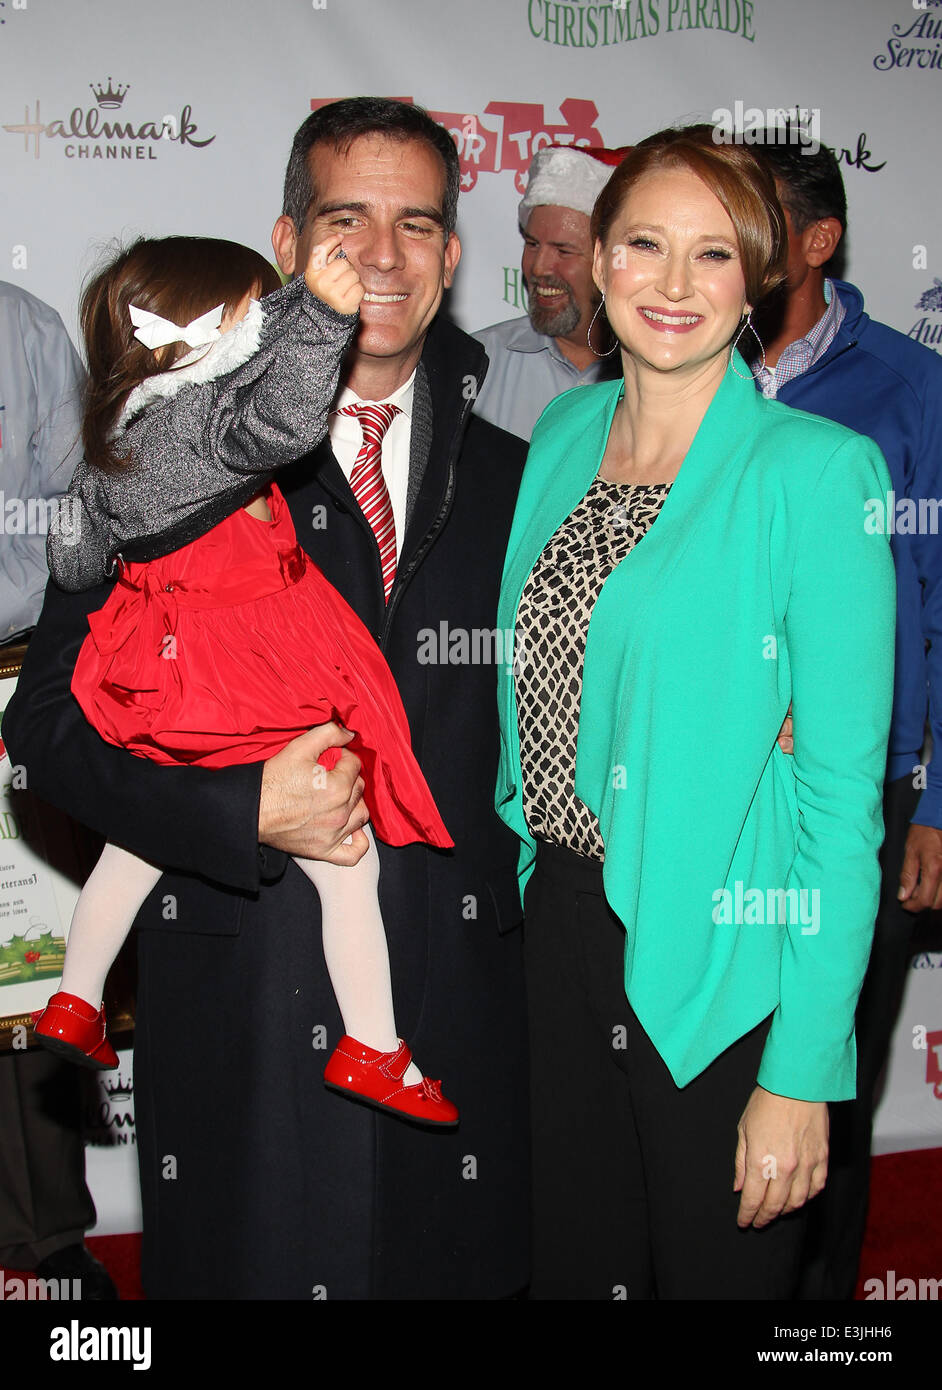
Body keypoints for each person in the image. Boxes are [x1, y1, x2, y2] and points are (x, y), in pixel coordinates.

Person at [3, 97, 529, 1300]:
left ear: (453, 257)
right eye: (347, 221)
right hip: (239, 1008)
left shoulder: (526, 470)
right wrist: (236, 809)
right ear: (287, 249)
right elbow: (43, 737)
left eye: (417, 225)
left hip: (458, 1016)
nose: (382, 257)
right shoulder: (165, 460)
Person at [495, 124, 896, 1299]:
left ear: (759, 275)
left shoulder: (817, 473)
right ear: (600, 260)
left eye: (713, 255)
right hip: (564, 926)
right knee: (577, 1272)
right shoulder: (563, 432)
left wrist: (805, 1067)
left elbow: (837, 797)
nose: (675, 285)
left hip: (723, 951)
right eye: (646, 246)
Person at [32, 230, 460, 1129]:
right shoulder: (207, 423)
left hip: (155, 682)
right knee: (350, 863)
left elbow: (72, 559)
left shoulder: (120, 441)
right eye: (257, 315)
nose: (272, 328)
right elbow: (288, 421)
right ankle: (375, 1046)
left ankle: (73, 998)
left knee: (134, 846)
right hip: (248, 679)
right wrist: (322, 317)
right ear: (211, 335)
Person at [750, 133, 942, 1300]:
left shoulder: (912, 387)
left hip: (862, 793)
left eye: (750, 217)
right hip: (709, 793)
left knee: (828, 1071)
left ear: (817, 243)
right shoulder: (675, 374)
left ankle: (814, 1318)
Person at [0, 280, 115, 1299]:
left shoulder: (25, 330)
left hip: (15, 674)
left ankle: (47, 1247)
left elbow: (79, 525)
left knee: (24, 964)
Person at [472, 145, 626, 440]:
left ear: (610, 261)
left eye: (563, 250)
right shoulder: (478, 362)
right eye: (531, 244)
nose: (539, 266)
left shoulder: (661, 371)